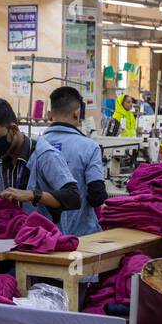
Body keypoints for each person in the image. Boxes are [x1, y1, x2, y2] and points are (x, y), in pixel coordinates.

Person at [0, 98, 82, 227]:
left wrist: (32, 195)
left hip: (46, 240)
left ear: (13, 130)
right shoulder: (0, 163)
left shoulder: (45, 156)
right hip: (15, 239)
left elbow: (73, 197)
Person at [41, 86, 107, 236]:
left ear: (50, 115)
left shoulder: (36, 145)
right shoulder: (89, 147)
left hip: (43, 237)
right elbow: (97, 196)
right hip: (81, 236)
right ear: (77, 113)